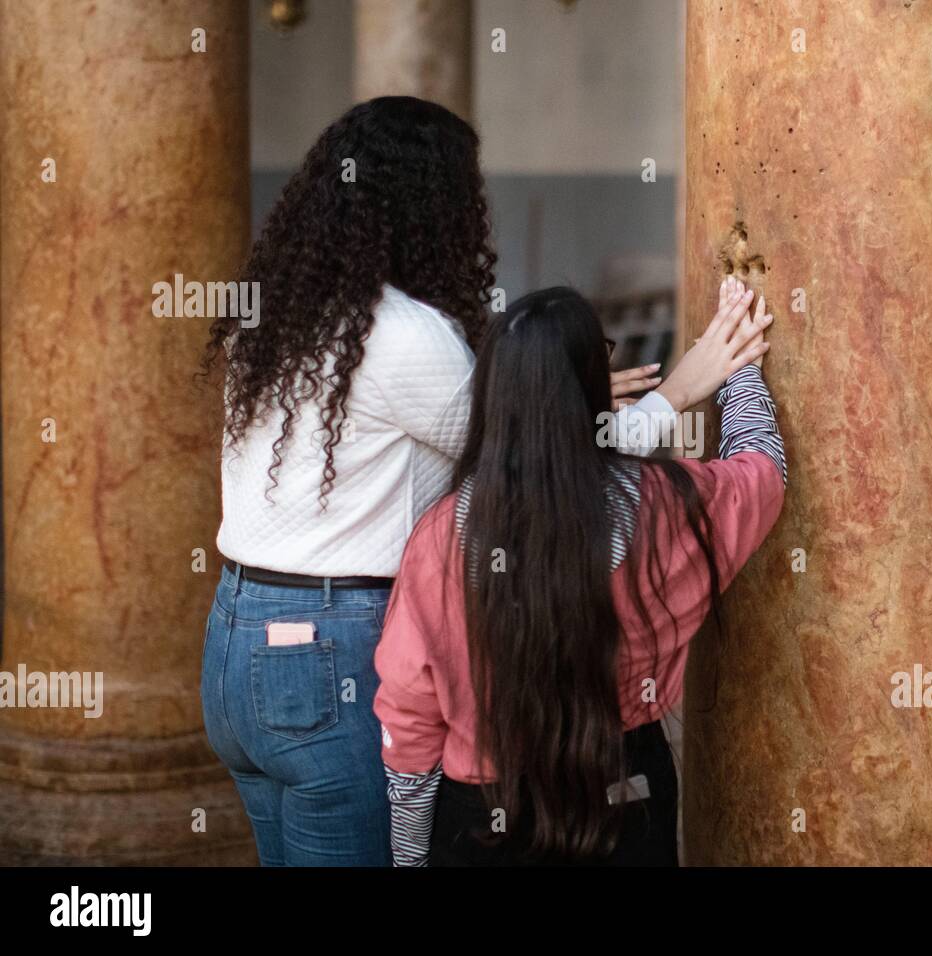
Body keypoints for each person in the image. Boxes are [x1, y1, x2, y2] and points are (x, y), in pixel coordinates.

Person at [200, 97, 769, 866]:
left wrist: (577, 397)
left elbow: (518, 438)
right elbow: (533, 463)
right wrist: (680, 389)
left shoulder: (274, 319)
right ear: (435, 207)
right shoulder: (405, 336)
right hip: (330, 654)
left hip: (237, 644)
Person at [374, 278, 786, 865]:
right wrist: (740, 364)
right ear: (594, 387)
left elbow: (410, 719)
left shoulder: (441, 538)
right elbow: (765, 472)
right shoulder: (664, 509)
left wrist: (410, 855)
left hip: (484, 820)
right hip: (625, 799)